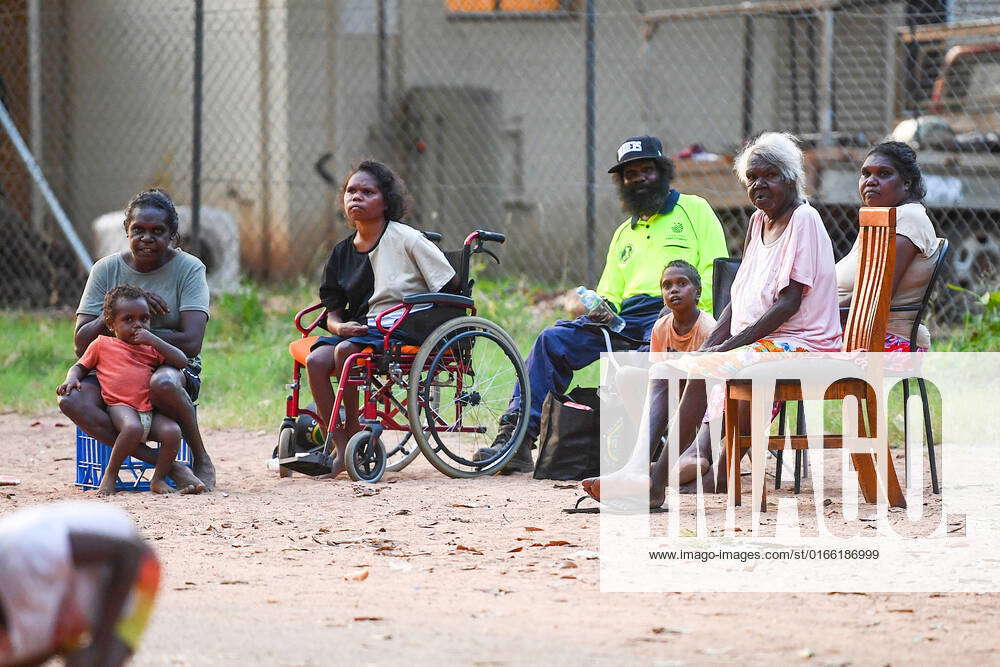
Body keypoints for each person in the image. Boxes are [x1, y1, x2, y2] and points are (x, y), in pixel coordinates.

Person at [583, 131, 842, 505]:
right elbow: (738, 300)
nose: (758, 185)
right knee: (667, 368)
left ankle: (655, 485)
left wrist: (726, 347)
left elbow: (788, 304)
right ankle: (637, 468)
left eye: (768, 175)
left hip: (804, 343)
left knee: (707, 365)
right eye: (752, 178)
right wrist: (709, 344)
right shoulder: (758, 222)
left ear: (790, 177)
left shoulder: (804, 219)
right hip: (763, 342)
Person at [475, 135, 729, 474]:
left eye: (646, 170)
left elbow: (715, 273)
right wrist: (600, 308)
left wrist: (687, 318)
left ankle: (656, 452)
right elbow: (611, 291)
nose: (638, 178)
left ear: (663, 172)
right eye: (629, 173)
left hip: (675, 314)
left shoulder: (695, 211)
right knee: (552, 340)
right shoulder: (624, 232)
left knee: (639, 363)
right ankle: (517, 439)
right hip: (624, 321)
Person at [305, 160, 455, 478]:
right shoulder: (342, 251)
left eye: (367, 192)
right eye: (351, 191)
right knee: (316, 361)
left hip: (403, 326)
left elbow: (449, 287)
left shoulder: (407, 239)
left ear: (386, 201)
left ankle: (354, 433)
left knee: (346, 352)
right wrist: (336, 326)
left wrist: (413, 311)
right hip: (362, 330)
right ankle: (342, 440)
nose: (356, 197)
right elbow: (331, 304)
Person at [59, 189, 212, 493]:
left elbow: (191, 343)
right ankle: (165, 463)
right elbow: (81, 343)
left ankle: (201, 458)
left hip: (167, 365)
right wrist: (115, 310)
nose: (147, 238)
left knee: (164, 383)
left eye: (158, 231)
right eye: (138, 230)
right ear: (126, 230)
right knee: (70, 400)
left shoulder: (189, 268)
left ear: (172, 235)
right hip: (112, 367)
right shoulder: (106, 269)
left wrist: (143, 337)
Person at [57, 285, 189, 497]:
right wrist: (71, 379)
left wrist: (154, 340)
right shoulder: (102, 345)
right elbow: (79, 367)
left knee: (173, 432)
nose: (138, 325)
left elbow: (182, 361)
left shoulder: (151, 347)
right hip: (120, 406)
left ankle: (158, 479)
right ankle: (111, 473)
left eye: (144, 319)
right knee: (132, 429)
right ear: (111, 324)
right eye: (128, 319)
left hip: (149, 410)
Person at [0, 501, 160, 666]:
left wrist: (100, 642)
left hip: (138, 568)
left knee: (100, 660)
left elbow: (130, 552)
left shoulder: (27, 550)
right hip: (67, 589)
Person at [836, 141, 939, 351]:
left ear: (907, 183)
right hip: (854, 330)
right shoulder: (884, 217)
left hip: (881, 339)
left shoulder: (908, 219)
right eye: (865, 174)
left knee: (777, 358)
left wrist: (812, 316)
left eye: (883, 174)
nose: (871, 181)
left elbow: (873, 297)